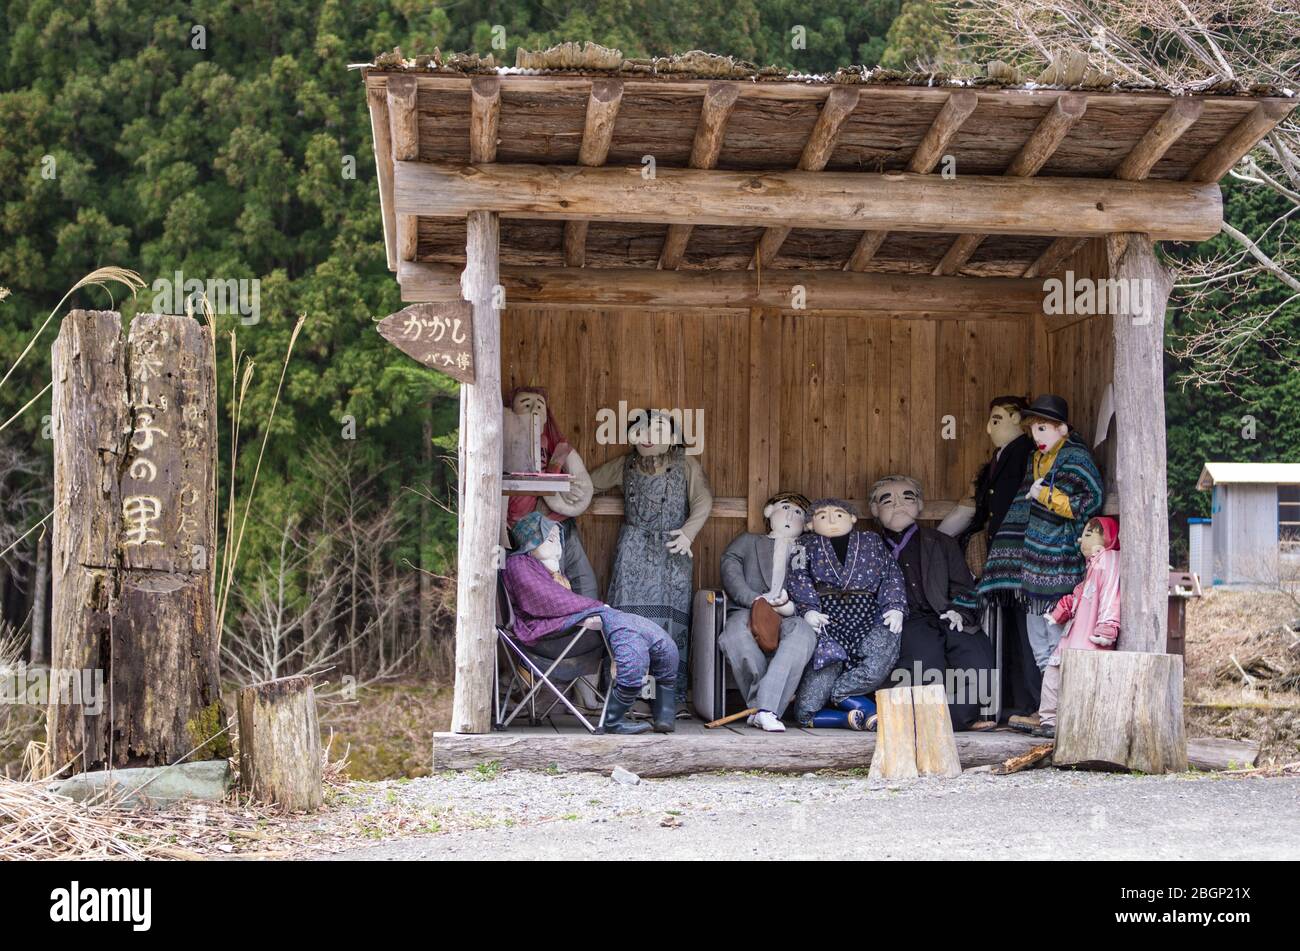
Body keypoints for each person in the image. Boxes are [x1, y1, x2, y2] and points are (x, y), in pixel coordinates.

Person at [502, 512, 679, 735]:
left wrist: (596, 609)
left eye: (558, 538)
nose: (556, 544)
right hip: (546, 638)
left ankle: (664, 714)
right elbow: (546, 601)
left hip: (567, 631)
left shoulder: (546, 569)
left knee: (654, 635)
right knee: (619, 625)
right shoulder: (519, 563)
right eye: (549, 538)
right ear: (531, 541)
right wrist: (595, 607)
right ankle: (614, 719)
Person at [978, 395, 1104, 692]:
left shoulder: (1077, 458)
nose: (1037, 436)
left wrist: (1045, 495)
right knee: (1039, 641)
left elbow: (1089, 500)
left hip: (1060, 563)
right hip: (1032, 566)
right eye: (1033, 430)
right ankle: (1047, 709)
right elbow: (1023, 507)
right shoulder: (1037, 459)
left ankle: (1061, 710)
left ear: (1062, 429)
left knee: (1058, 637)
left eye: (1043, 429)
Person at [591, 409, 713, 713]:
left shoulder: (686, 465)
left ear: (672, 439)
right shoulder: (625, 465)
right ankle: (625, 693)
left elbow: (703, 500)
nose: (647, 436)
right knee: (626, 619)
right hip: (633, 548)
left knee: (670, 624)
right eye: (641, 430)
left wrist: (688, 533)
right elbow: (588, 483)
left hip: (673, 550)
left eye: (657, 430)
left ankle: (666, 699)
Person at [869, 475, 996, 731]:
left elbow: (964, 587)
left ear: (919, 505)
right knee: (925, 661)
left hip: (948, 615)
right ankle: (928, 723)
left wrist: (960, 611)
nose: (898, 505)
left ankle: (958, 720)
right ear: (874, 510)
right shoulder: (869, 547)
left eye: (907, 498)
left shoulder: (941, 543)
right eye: (887, 500)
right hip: (907, 620)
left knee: (977, 657)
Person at [788, 498, 907, 729]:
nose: (832, 519)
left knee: (877, 659)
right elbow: (798, 577)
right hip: (827, 622)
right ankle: (855, 717)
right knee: (805, 710)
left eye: (839, 514)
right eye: (822, 516)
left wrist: (894, 606)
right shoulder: (804, 545)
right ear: (810, 524)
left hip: (868, 615)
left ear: (853, 518)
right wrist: (809, 609)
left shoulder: (871, 541)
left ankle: (848, 697)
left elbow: (891, 574)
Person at [1010, 516, 1121, 738]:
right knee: (1053, 672)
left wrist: (1108, 627)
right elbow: (1078, 597)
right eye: (1084, 534)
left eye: (1090, 534)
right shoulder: (1091, 567)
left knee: (1079, 681)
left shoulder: (1108, 561)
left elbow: (1111, 595)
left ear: (1107, 539)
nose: (1082, 539)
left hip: (1089, 640)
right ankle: (1050, 721)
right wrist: (1058, 613)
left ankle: (1075, 722)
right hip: (1073, 638)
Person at [718, 492, 819, 732]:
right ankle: (766, 708)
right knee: (734, 636)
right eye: (784, 508)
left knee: (803, 636)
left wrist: (796, 606)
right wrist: (752, 599)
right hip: (749, 608)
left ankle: (762, 709)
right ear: (769, 512)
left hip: (792, 612)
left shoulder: (811, 549)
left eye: (798, 512)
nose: (789, 515)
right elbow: (729, 563)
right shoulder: (749, 541)